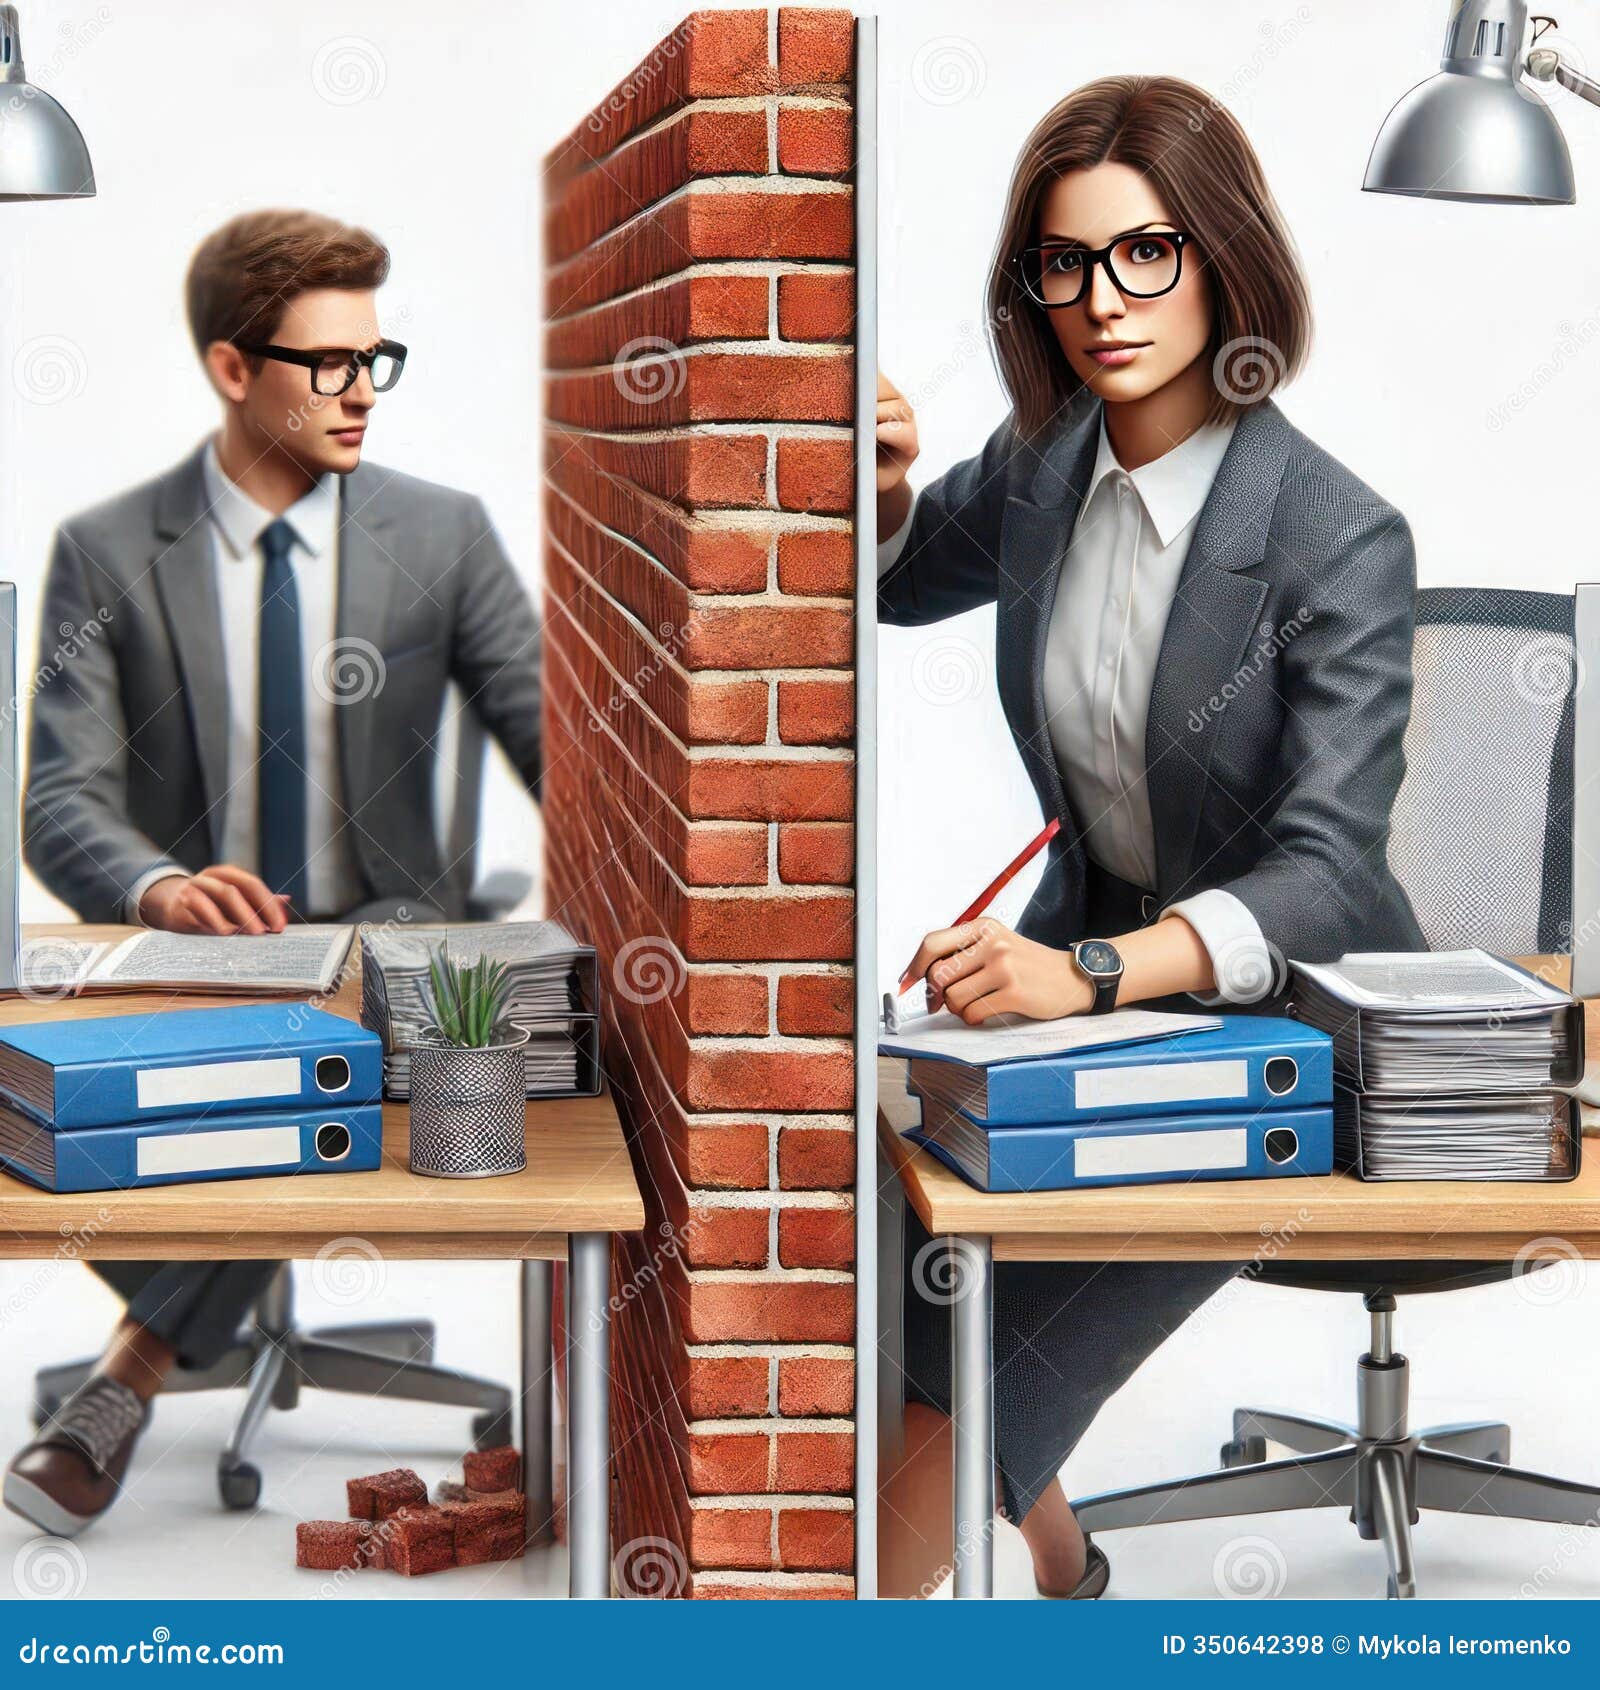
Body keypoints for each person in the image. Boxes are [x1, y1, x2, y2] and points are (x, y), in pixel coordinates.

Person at [875, 76, 1425, 1598]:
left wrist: (1092, 976)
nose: (1102, 301)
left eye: (1146, 254)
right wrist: (883, 489)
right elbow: (901, 578)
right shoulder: (1052, 466)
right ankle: (1062, 1564)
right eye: (1063, 263)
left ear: (1225, 255)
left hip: (1282, 1031)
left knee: (960, 1352)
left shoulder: (1338, 538)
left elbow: (1327, 869)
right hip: (1089, 980)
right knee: (889, 1212)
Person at [6, 209, 541, 1537]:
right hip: (202, 951)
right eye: (329, 364)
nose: (364, 391)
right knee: (235, 1051)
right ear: (233, 369)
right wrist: (156, 886)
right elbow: (58, 797)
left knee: (308, 1042)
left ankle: (132, 1373)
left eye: (379, 357)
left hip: (391, 938)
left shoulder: (443, 534)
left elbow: (562, 744)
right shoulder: (111, 549)